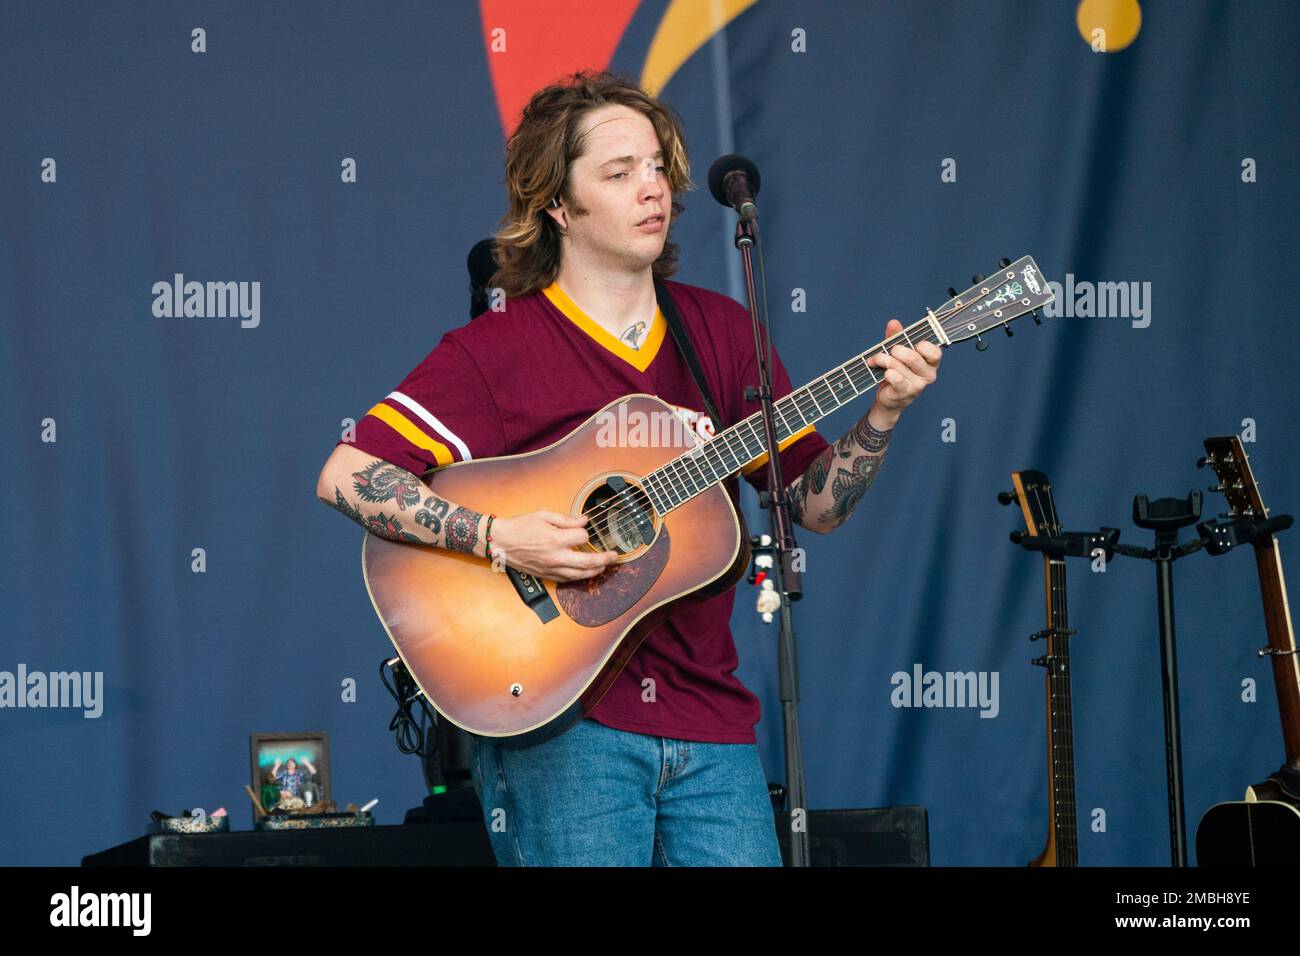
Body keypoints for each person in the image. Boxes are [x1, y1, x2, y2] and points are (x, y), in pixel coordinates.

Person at [315, 71, 941, 866]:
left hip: (713, 727)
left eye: (656, 167)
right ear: (557, 204)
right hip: (568, 728)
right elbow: (347, 473)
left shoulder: (717, 330)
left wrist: (883, 413)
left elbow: (810, 506)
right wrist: (502, 537)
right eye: (618, 173)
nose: (653, 189)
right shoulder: (498, 349)